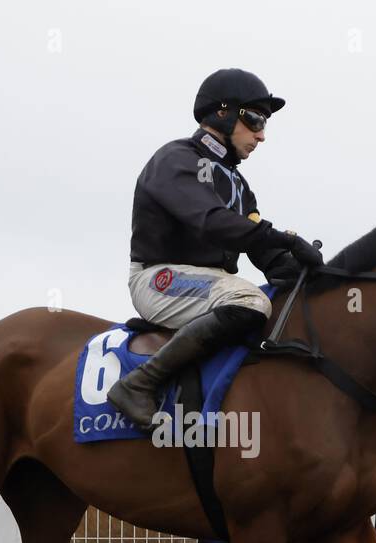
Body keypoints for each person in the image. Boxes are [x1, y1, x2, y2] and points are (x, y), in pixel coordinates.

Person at [108, 68, 324, 429]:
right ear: (222, 113)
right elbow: (212, 221)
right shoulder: (175, 159)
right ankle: (138, 384)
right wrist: (285, 238)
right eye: (254, 119)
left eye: (265, 124)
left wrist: (305, 270)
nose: (261, 135)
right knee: (250, 302)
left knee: (284, 301)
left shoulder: (239, 182)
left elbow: (260, 245)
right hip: (159, 279)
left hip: (209, 284)